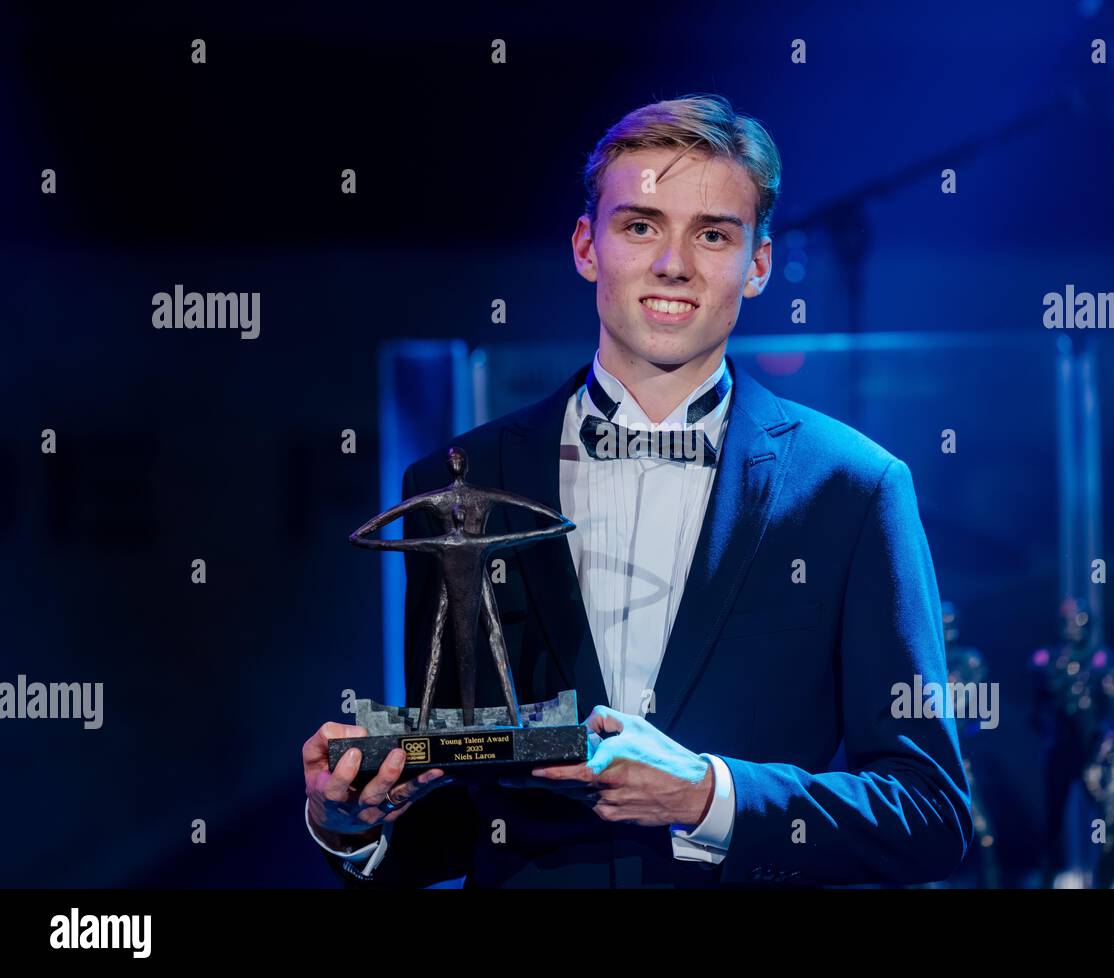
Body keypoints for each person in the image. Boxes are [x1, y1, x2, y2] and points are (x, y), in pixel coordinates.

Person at [302, 93, 972, 887]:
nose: (673, 265)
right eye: (641, 225)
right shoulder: (461, 480)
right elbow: (456, 806)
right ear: (588, 245)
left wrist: (707, 797)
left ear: (758, 264)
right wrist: (352, 824)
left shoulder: (854, 489)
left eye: (713, 234)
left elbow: (931, 812)